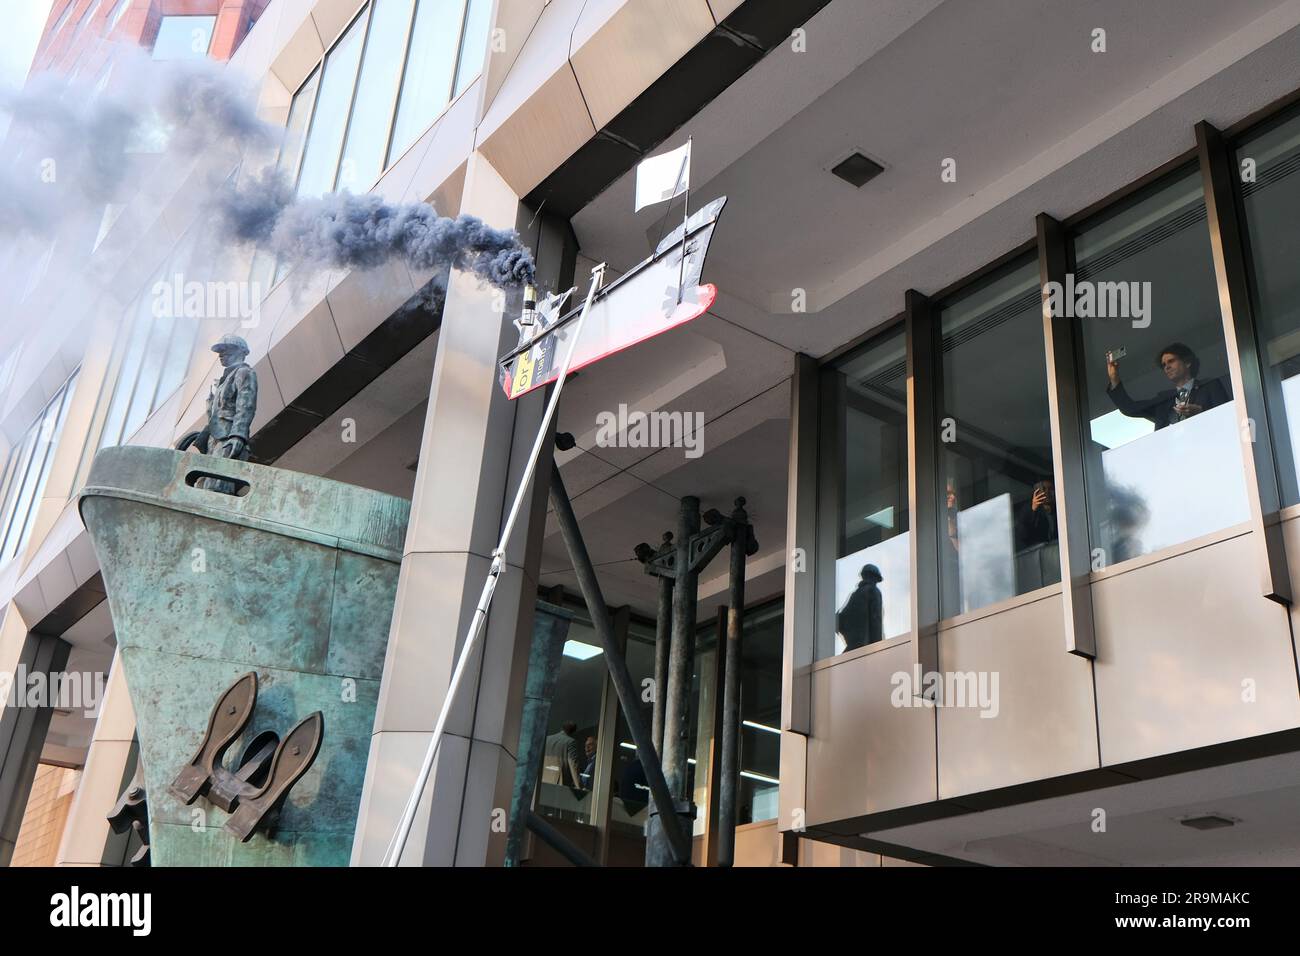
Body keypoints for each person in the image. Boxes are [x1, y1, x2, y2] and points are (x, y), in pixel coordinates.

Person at [1105, 342, 1229, 429]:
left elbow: (1227, 418)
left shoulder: (1210, 386)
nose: (1167, 367)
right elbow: (1130, 408)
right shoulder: (1163, 400)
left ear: (1187, 363)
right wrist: (1114, 378)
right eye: (1164, 365)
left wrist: (1202, 413)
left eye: (1171, 361)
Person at [836, 564, 883, 651]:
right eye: (875, 578)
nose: (875, 581)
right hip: (863, 644)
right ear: (873, 577)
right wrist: (878, 647)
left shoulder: (856, 594)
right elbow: (876, 619)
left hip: (854, 644)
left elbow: (840, 619)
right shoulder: (873, 591)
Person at [1014, 478, 1059, 551]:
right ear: (1037, 492)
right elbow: (1023, 535)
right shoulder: (1028, 510)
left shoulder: (1060, 508)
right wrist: (1033, 510)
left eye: (1050, 489)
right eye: (1044, 489)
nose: (1047, 492)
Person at [542, 721, 582, 789]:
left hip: (543, 781)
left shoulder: (547, 739)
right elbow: (573, 765)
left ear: (562, 728)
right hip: (558, 783)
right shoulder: (570, 741)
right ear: (574, 732)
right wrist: (579, 787)